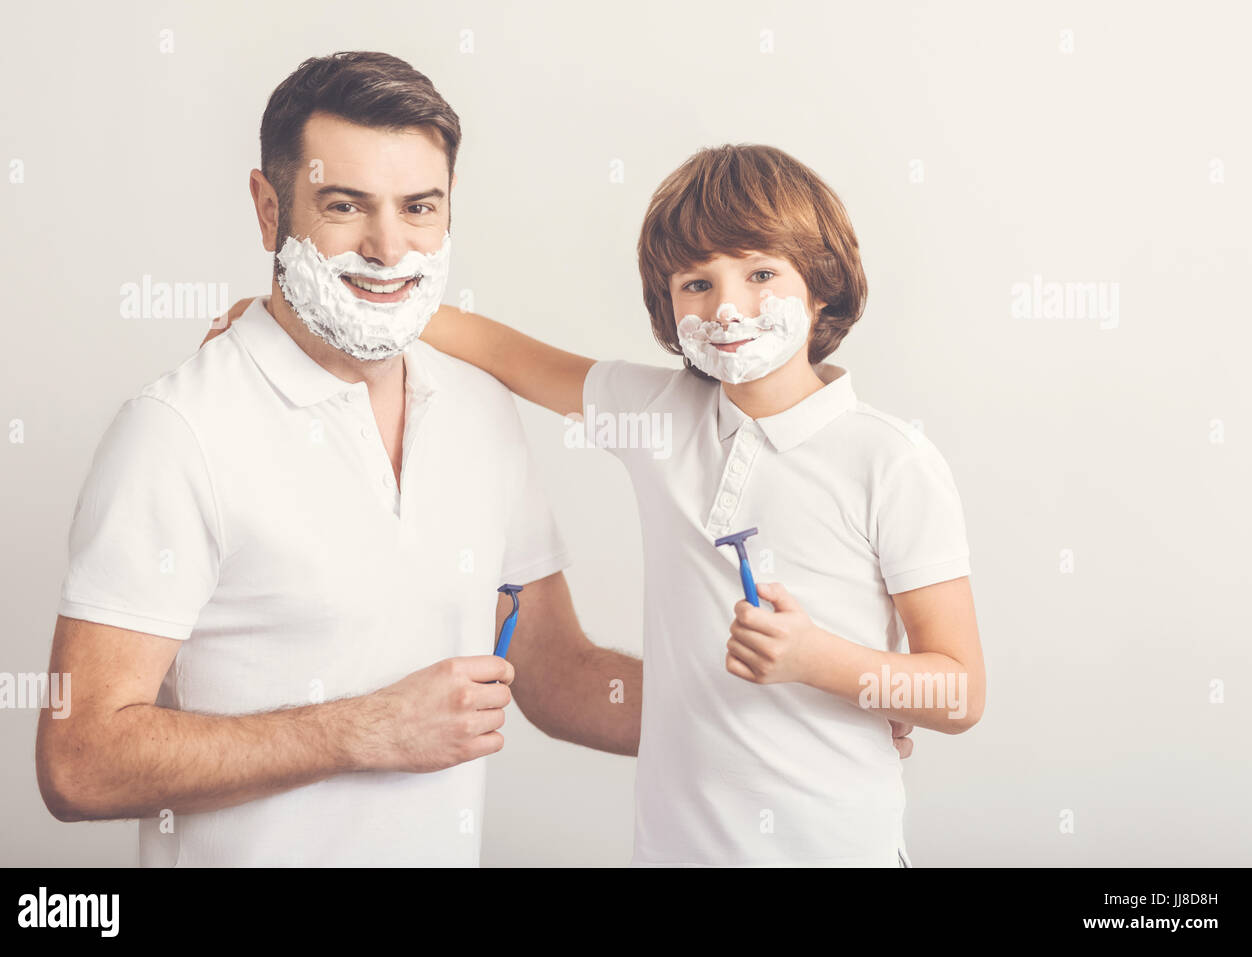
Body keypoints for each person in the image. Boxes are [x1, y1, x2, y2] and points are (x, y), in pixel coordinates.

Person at [35, 51, 644, 867]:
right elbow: (79, 763)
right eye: (345, 205)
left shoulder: (478, 407)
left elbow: (558, 673)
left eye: (419, 207)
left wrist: (787, 703)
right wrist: (366, 729)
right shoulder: (178, 431)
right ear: (267, 209)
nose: (389, 247)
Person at [413, 143, 985, 866]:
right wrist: (293, 318)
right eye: (696, 283)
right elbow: (497, 350)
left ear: (821, 286)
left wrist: (816, 658)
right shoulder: (654, 414)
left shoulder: (890, 460)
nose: (727, 307)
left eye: (761, 273)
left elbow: (960, 693)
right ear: (667, 305)